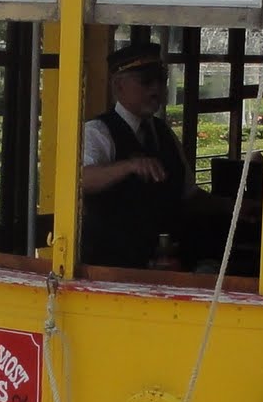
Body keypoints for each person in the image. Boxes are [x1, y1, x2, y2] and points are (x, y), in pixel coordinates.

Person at [81, 42, 197, 269]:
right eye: (146, 81)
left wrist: (232, 207)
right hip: (111, 268)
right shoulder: (98, 132)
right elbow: (81, 179)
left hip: (165, 262)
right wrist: (129, 166)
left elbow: (189, 194)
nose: (156, 89)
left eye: (160, 80)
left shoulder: (164, 133)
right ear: (118, 86)